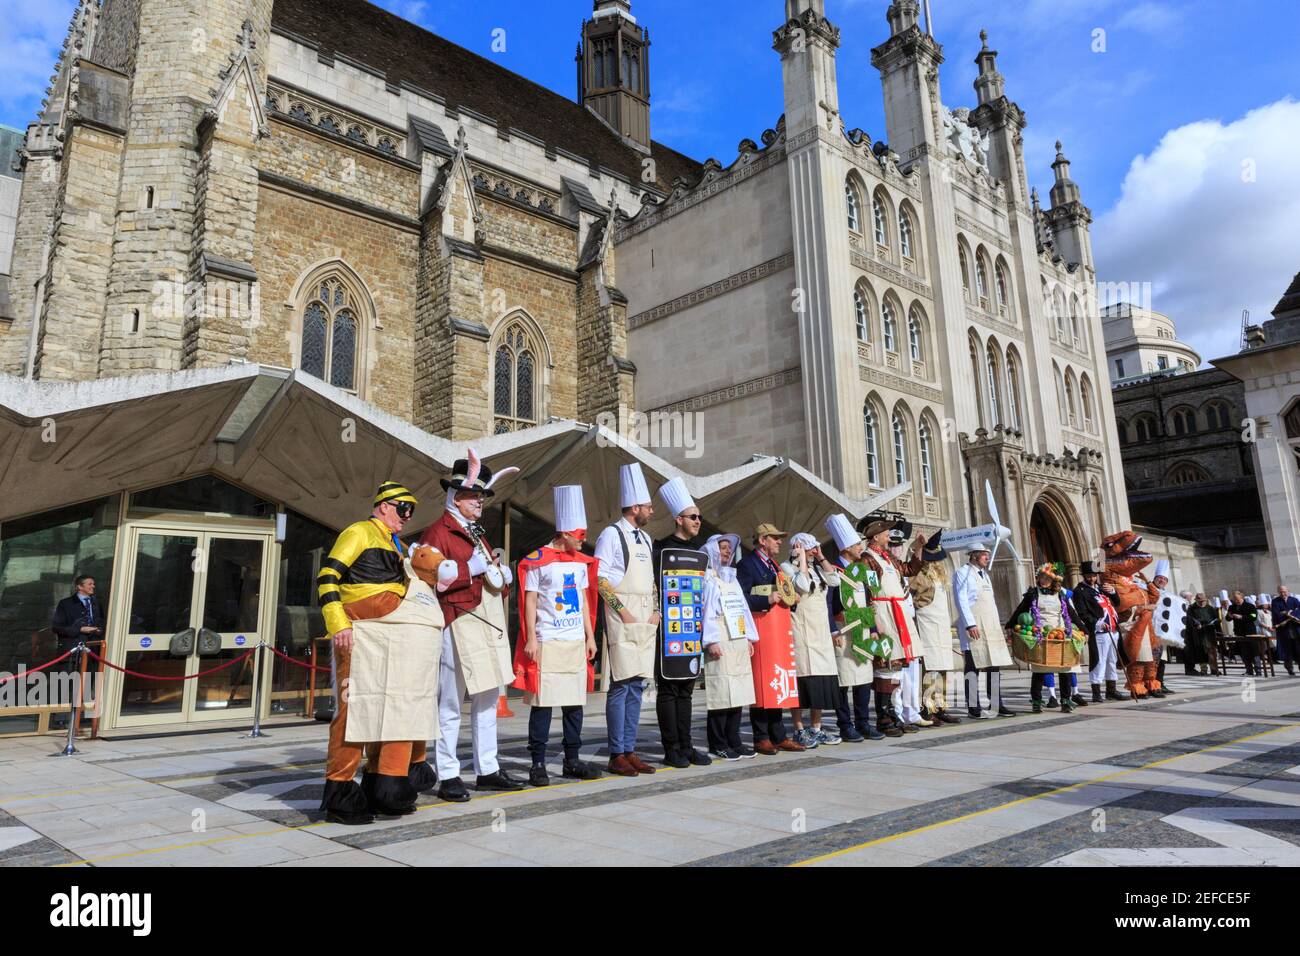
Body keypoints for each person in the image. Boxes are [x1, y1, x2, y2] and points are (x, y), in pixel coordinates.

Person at [317, 482, 447, 825]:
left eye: (411, 511)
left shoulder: (399, 545)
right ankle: (340, 788)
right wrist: (338, 624)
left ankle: (381, 784)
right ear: (384, 505)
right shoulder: (358, 532)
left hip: (395, 639)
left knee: (390, 707)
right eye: (403, 508)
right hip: (361, 633)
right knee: (354, 707)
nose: (407, 516)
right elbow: (328, 577)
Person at [419, 451, 524, 803]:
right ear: (456, 498)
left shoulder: (475, 531)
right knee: (450, 702)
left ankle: (487, 769)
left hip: (485, 620)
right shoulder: (438, 532)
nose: (480, 502)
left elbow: (488, 574)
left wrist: (502, 578)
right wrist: (473, 568)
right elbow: (432, 579)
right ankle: (448, 773)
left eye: (481, 497)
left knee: (487, 698)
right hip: (457, 622)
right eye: (475, 496)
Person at [513, 485, 602, 787]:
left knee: (574, 703)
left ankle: (571, 760)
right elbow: (530, 600)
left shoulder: (579, 563)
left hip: (575, 638)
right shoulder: (540, 560)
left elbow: (585, 599)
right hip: (548, 637)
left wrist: (590, 637)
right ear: (563, 533)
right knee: (542, 702)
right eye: (579, 534)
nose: (583, 539)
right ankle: (537, 763)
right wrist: (531, 638)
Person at [593, 463, 660, 777]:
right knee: (620, 684)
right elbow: (601, 579)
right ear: (635, 508)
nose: (651, 510)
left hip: (646, 618)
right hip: (623, 617)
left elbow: (652, 582)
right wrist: (623, 611)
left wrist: (656, 610)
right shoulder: (612, 534)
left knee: (637, 685)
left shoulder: (646, 539)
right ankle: (616, 752)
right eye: (647, 506)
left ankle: (630, 749)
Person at [651, 477, 709, 768]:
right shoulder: (658, 551)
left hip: (692, 632)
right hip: (668, 633)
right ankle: (671, 748)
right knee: (669, 690)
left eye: (699, 517)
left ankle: (686, 746)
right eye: (693, 517)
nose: (698, 521)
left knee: (686, 690)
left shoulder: (700, 554)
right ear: (678, 520)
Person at [735, 523, 804, 755]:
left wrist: (789, 598)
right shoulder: (746, 564)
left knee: (776, 683)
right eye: (775, 538)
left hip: (778, 629)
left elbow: (782, 591)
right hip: (761, 628)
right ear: (762, 540)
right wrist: (766, 599)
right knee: (763, 684)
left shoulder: (775, 565)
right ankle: (761, 736)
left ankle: (779, 734)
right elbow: (741, 598)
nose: (779, 542)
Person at [860, 518, 925, 732]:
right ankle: (883, 718)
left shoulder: (887, 558)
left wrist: (918, 548)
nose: (889, 537)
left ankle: (894, 713)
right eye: (886, 534)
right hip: (884, 614)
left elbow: (909, 569)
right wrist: (874, 622)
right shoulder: (868, 559)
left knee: (897, 666)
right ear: (876, 537)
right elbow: (868, 591)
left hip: (897, 614)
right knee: (885, 664)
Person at [826, 513, 885, 741]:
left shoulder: (862, 571)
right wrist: (832, 630)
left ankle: (863, 723)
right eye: (856, 544)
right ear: (845, 548)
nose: (861, 547)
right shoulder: (834, 570)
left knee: (863, 678)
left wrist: (871, 629)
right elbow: (829, 604)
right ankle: (845, 725)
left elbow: (868, 600)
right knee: (844, 679)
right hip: (843, 629)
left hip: (862, 628)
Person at [701, 533, 759, 760]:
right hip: (721, 637)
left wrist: (749, 638)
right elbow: (707, 611)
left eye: (728, 548)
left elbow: (743, 608)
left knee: (739, 691)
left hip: (737, 638)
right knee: (721, 692)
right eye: (722, 548)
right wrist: (711, 640)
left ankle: (734, 739)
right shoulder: (708, 577)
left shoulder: (731, 577)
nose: (726, 551)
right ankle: (718, 742)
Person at [782, 533, 843, 748]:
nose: (812, 552)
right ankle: (799, 729)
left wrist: (821, 557)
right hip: (802, 632)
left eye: (813, 549)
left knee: (820, 682)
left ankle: (816, 728)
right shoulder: (788, 568)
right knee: (801, 682)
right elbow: (803, 586)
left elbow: (834, 580)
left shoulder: (816, 568)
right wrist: (799, 559)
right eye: (810, 549)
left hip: (820, 633)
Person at [1007, 564, 1083, 713]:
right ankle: (1036, 701)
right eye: (1041, 577)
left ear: (1054, 580)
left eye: (1047, 578)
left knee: (1065, 669)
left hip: (1060, 634)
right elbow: (1021, 610)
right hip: (1040, 634)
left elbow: (1071, 613)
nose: (1044, 580)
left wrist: (1084, 629)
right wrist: (1010, 625)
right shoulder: (1033, 594)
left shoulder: (1060, 594)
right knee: (1039, 669)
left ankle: (1066, 701)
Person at [953, 542, 1015, 718]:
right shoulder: (962, 573)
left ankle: (996, 703)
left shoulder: (985, 576)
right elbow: (961, 600)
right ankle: (973, 707)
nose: (987, 557)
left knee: (994, 665)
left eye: (987, 554)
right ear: (973, 555)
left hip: (990, 625)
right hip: (975, 626)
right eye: (984, 554)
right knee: (973, 666)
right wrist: (970, 624)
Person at [910, 531, 961, 725]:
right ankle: (927, 708)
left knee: (943, 669)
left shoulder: (942, 578)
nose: (940, 563)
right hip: (928, 624)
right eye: (936, 560)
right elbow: (909, 597)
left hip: (941, 625)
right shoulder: (920, 576)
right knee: (931, 669)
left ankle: (940, 707)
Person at [1073, 561, 1123, 702]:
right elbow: (1082, 613)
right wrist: (1098, 623)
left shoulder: (1101, 589)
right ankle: (1096, 693)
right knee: (1099, 661)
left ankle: (1111, 690)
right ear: (1084, 576)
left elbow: (1117, 603)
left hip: (1113, 630)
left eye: (1094, 575)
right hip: (1099, 632)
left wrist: (1113, 591)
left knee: (1111, 661)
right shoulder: (1079, 591)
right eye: (1088, 575)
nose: (1091, 578)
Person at [1150, 560, 1175, 695]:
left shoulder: (1167, 594)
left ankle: (1160, 683)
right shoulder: (1148, 589)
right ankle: (1152, 685)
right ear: (1155, 578)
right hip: (1151, 630)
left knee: (1162, 660)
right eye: (1160, 578)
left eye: (1165, 579)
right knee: (1152, 660)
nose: (1162, 580)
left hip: (1163, 631)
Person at [1225, 591, 1261, 676]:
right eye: (1234, 599)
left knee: (1254, 651)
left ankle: (1258, 670)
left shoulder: (1250, 606)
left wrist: (1242, 617)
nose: (1236, 601)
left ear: (1242, 598)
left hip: (1250, 632)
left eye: (1237, 599)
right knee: (1244, 652)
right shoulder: (1232, 607)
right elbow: (1227, 618)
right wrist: (1229, 616)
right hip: (1239, 632)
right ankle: (1249, 670)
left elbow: (1253, 616)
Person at [1187, 593, 1221, 676]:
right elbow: (1189, 618)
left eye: (1203, 601)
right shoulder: (1192, 608)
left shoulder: (1210, 608)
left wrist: (1215, 623)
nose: (1202, 602)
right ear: (1196, 600)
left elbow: (1216, 619)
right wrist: (1196, 624)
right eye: (1200, 601)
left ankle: (1214, 669)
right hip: (1198, 632)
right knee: (1201, 650)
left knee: (1212, 650)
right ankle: (1204, 669)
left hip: (1209, 632)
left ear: (1206, 600)